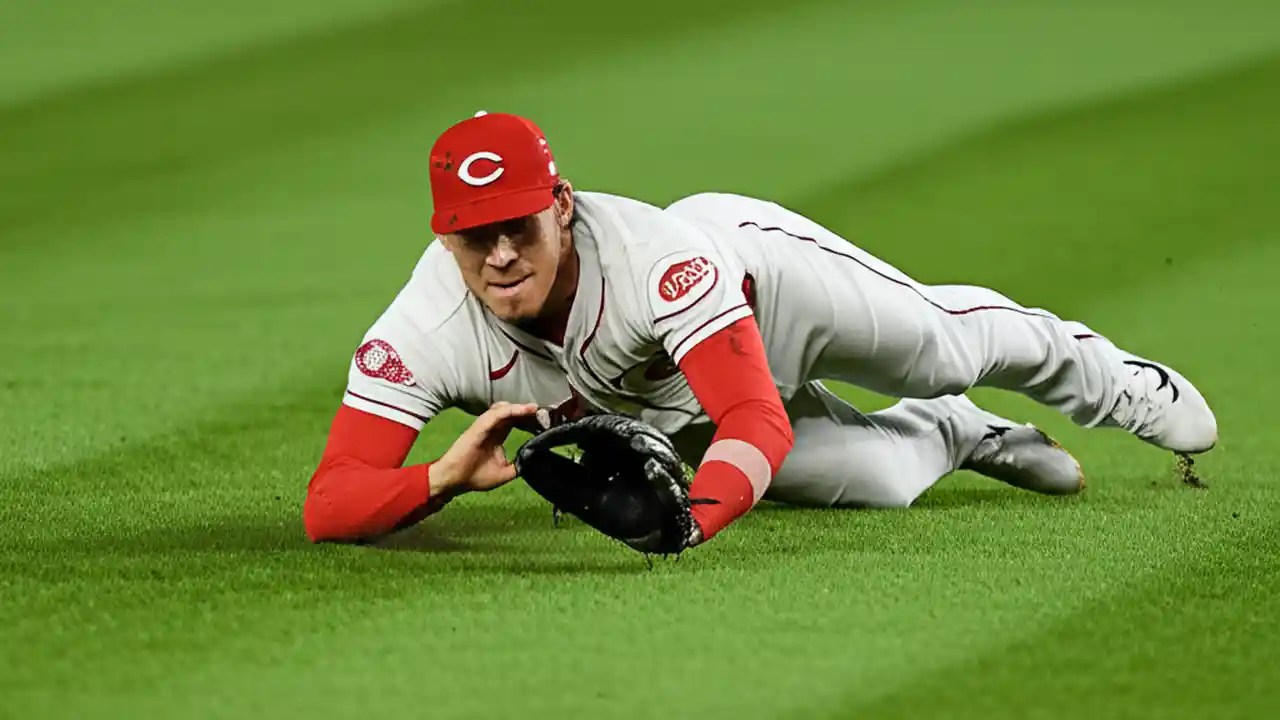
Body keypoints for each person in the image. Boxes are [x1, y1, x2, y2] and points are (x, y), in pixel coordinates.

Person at [303, 111, 1216, 547]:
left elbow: (754, 417)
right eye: (474, 235)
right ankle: (959, 431)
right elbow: (329, 501)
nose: (499, 253)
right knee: (878, 481)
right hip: (673, 406)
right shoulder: (428, 323)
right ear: (445, 236)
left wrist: (694, 522)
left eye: (519, 225)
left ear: (562, 206)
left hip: (770, 294)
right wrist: (440, 478)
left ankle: (1105, 376)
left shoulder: (657, 256)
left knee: (943, 348)